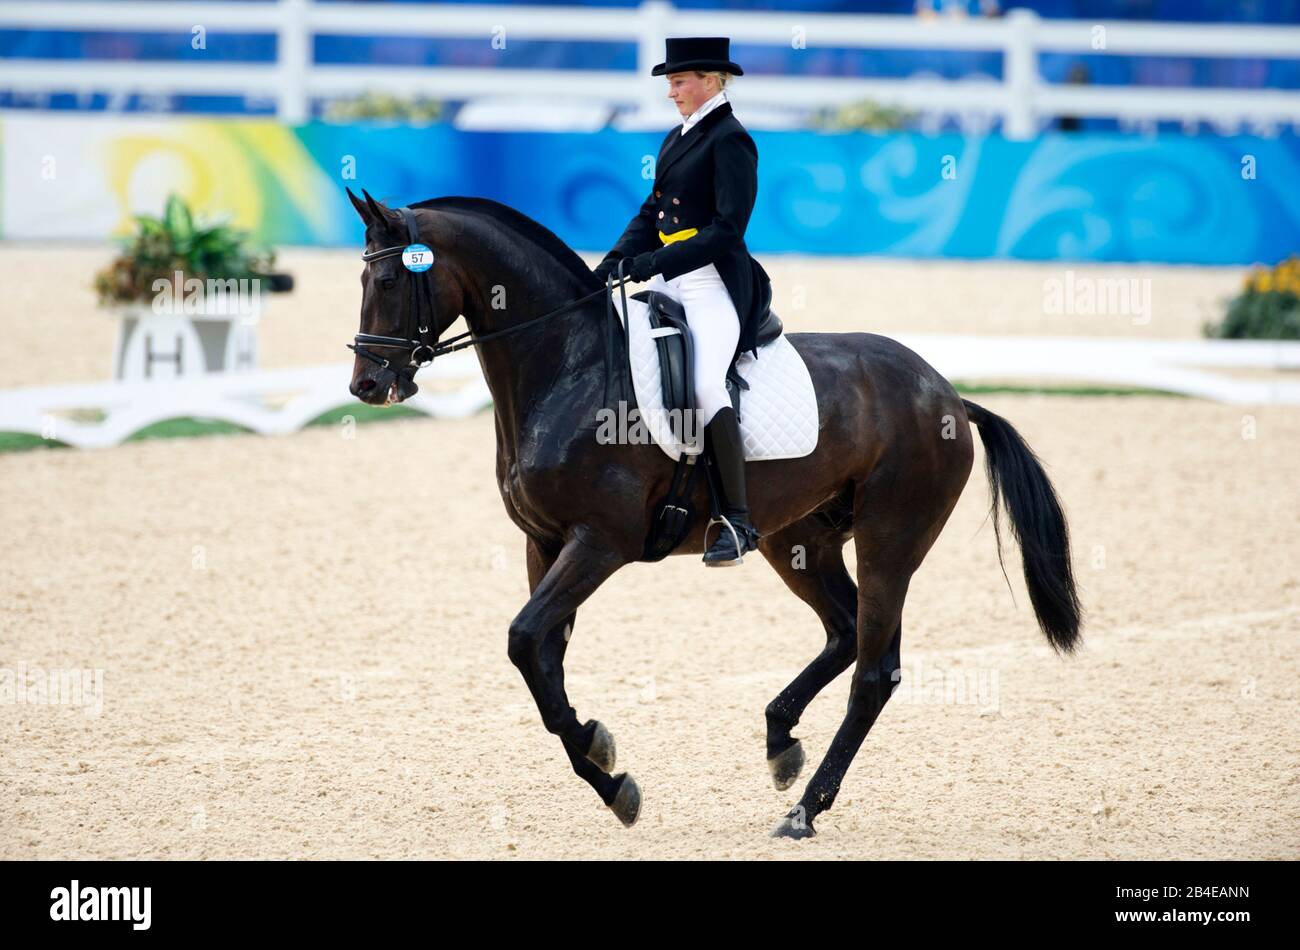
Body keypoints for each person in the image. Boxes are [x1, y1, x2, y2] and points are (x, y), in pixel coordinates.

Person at [592, 36, 772, 566]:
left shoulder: (732, 139)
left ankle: (737, 523)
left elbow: (726, 229)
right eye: (670, 83)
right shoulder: (676, 137)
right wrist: (609, 266)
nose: (671, 92)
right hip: (672, 278)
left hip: (712, 282)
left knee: (704, 383)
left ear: (712, 81)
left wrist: (649, 266)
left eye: (678, 81)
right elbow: (651, 215)